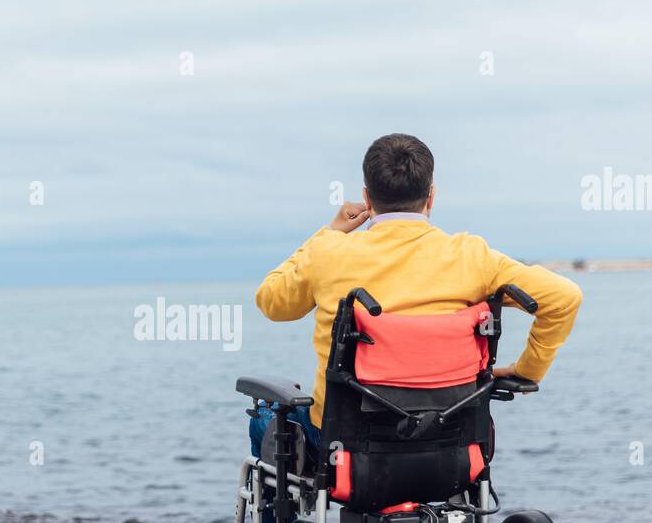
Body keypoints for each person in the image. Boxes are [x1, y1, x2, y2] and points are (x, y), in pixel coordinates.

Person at [249, 132, 583, 478]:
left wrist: (329, 233)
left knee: (265, 419)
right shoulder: (471, 257)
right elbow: (563, 298)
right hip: (450, 442)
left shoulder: (329, 253)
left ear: (366, 197)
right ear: (431, 196)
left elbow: (271, 301)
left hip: (347, 450)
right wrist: (528, 370)